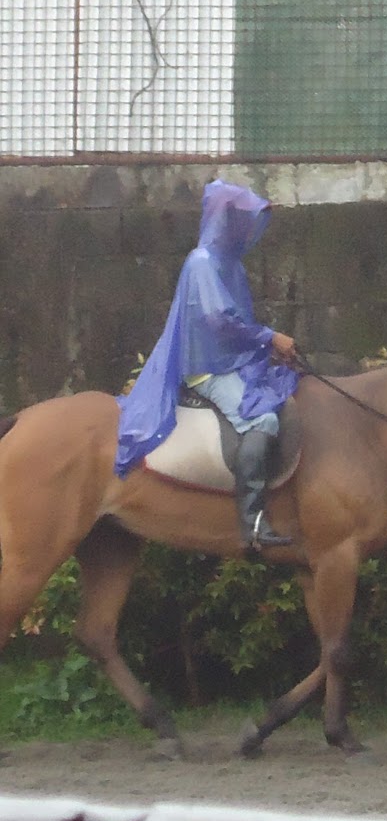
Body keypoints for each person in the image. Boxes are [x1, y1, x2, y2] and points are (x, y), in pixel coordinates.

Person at [116, 179, 301, 550]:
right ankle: (252, 524)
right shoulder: (203, 263)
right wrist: (269, 338)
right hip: (208, 369)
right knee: (261, 418)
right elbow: (220, 320)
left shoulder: (227, 263)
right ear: (224, 220)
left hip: (233, 361)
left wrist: (267, 348)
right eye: (240, 219)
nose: (246, 229)